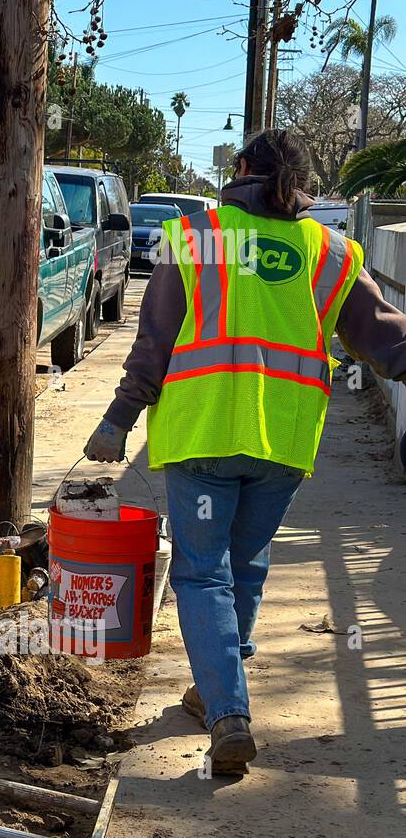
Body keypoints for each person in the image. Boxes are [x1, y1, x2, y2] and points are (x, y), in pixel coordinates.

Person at [84, 128, 406, 774]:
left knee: (203, 573)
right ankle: (210, 690)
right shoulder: (332, 250)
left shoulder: (197, 235)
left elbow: (155, 342)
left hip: (204, 433)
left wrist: (118, 419)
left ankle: (230, 712)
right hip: (283, 441)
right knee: (247, 564)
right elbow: (384, 338)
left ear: (239, 169)